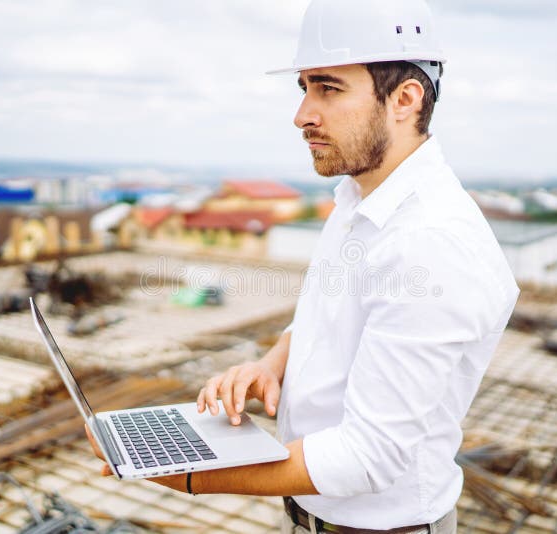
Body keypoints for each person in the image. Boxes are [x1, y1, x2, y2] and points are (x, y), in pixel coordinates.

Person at [88, 0, 520, 532]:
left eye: (328, 88)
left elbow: (369, 456)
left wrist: (194, 475)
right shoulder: (359, 198)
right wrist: (270, 366)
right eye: (304, 89)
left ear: (405, 99)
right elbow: (328, 313)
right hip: (312, 514)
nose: (302, 115)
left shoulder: (433, 244)